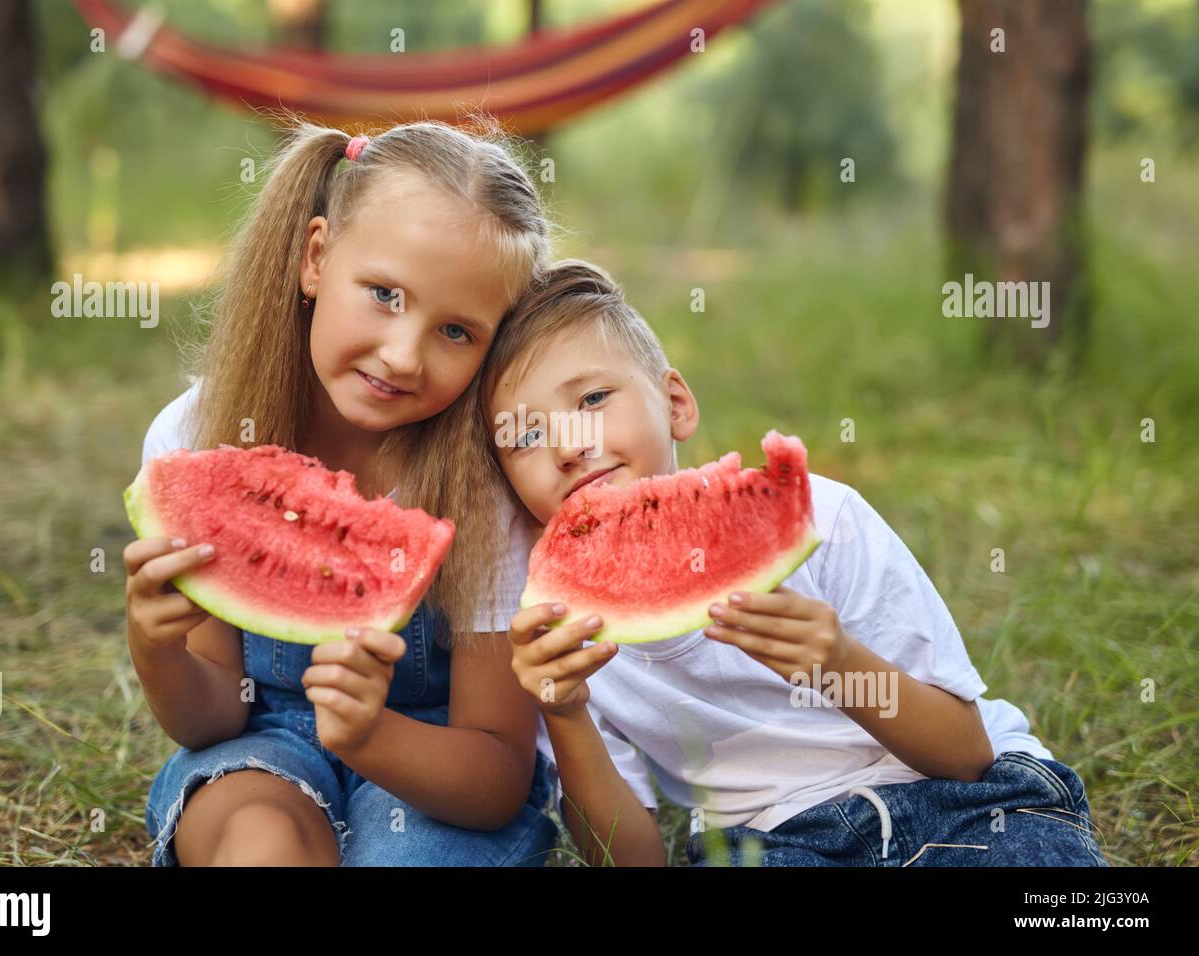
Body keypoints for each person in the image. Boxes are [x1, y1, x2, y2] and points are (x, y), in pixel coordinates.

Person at [463, 259, 1110, 866]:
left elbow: (966, 753)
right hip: (773, 842)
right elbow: (633, 857)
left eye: (593, 400)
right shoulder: (561, 633)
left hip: (968, 804)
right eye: (525, 436)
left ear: (676, 404)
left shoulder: (822, 519)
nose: (570, 447)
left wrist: (838, 665)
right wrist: (566, 710)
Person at [124, 119, 561, 866]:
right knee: (257, 843)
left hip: (437, 762)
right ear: (316, 257)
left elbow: (494, 770)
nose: (402, 354)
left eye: (456, 332)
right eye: (384, 294)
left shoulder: (492, 487)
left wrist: (370, 734)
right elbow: (212, 719)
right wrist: (156, 650)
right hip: (262, 742)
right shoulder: (198, 434)